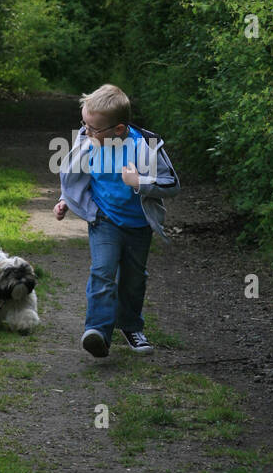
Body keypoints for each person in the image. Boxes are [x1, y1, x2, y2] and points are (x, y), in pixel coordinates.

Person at [53, 83, 180, 357]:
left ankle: (131, 326)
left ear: (119, 129)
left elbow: (172, 184)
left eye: (93, 128)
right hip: (103, 220)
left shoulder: (145, 146)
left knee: (133, 280)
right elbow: (75, 175)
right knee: (103, 272)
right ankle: (97, 331)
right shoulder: (88, 141)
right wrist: (66, 200)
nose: (86, 132)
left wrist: (140, 182)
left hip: (138, 226)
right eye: (84, 124)